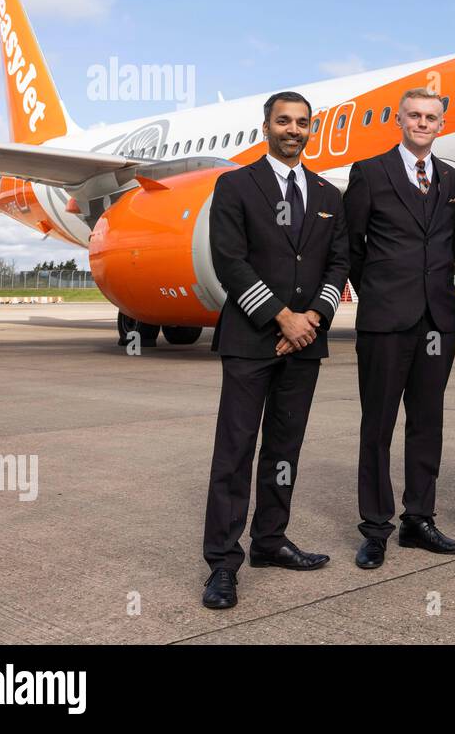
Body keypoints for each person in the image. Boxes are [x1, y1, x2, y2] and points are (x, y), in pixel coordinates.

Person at [201, 90, 349, 609]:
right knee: (235, 452)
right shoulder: (236, 185)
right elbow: (230, 260)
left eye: (302, 123)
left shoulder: (329, 194)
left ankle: (270, 540)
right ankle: (222, 562)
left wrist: (313, 319)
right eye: (284, 121)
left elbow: (338, 264)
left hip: (304, 345)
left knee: (284, 450)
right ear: (266, 126)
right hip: (251, 341)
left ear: (311, 130)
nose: (294, 129)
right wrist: (279, 316)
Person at [343, 87, 455, 570]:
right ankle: (375, 527)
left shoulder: (453, 179)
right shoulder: (369, 174)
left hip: (437, 320)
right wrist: (375, 293)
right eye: (414, 116)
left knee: (427, 424)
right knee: (378, 426)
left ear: (441, 124)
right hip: (385, 321)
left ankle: (419, 519)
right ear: (400, 120)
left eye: (430, 117)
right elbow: (351, 246)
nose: (422, 123)